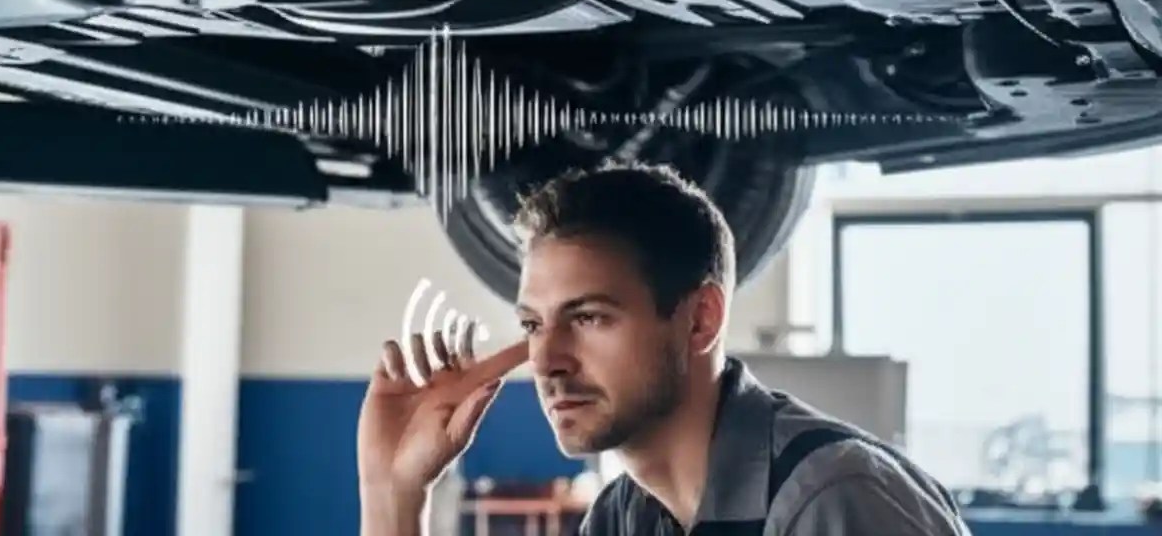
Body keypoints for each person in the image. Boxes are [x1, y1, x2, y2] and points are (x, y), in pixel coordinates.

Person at [358, 161, 973, 535]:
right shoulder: (626, 517)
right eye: (533, 326)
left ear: (700, 320)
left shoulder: (831, 498)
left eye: (590, 316)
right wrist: (393, 493)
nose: (547, 362)